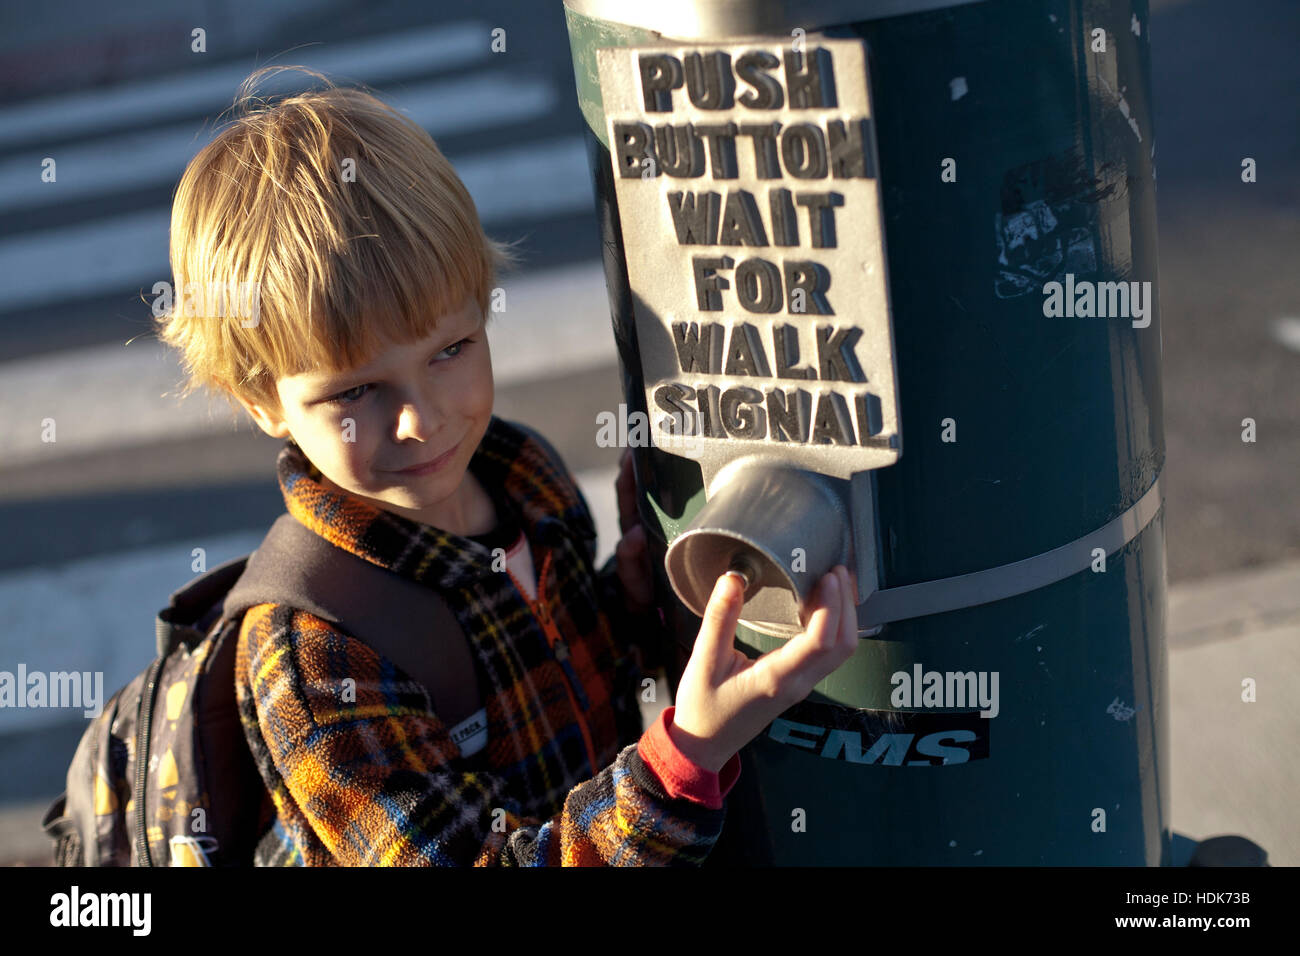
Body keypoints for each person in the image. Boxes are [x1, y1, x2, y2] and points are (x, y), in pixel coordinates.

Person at [153, 65, 859, 866]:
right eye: (357, 389)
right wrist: (683, 758)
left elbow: (561, 693)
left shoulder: (521, 479)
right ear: (263, 401)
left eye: (451, 349)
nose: (424, 418)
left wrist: (626, 608)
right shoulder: (316, 653)